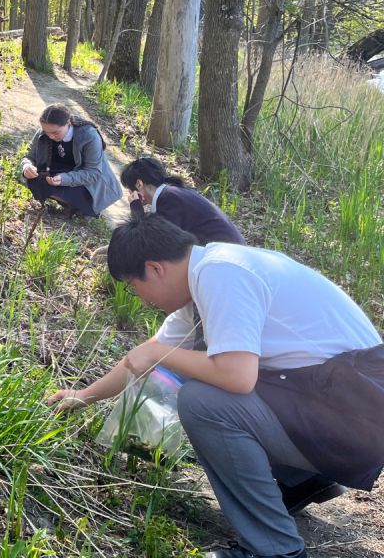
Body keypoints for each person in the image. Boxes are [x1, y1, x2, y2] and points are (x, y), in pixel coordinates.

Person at [53, 215, 384, 558]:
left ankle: (273, 549)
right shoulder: (206, 276)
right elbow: (143, 357)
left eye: (134, 286)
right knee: (205, 379)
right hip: (346, 404)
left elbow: (236, 377)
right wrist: (83, 396)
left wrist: (159, 353)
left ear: (155, 268)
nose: (142, 300)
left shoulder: (222, 273)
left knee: (203, 402)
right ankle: (301, 480)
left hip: (357, 412)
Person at [92, 156, 245, 262]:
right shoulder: (172, 194)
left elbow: (151, 241)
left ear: (139, 184)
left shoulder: (171, 199)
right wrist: (113, 248)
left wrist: (136, 208)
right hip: (228, 253)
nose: (129, 194)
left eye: (130, 189)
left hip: (226, 259)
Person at [19, 103, 122, 218]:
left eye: (55, 133)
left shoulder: (89, 136)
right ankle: (66, 202)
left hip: (86, 182)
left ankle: (77, 207)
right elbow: (29, 156)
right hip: (58, 172)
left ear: (68, 123)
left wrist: (65, 179)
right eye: (47, 132)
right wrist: (27, 167)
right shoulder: (45, 131)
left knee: (73, 190)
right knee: (37, 179)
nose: (51, 137)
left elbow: (93, 173)